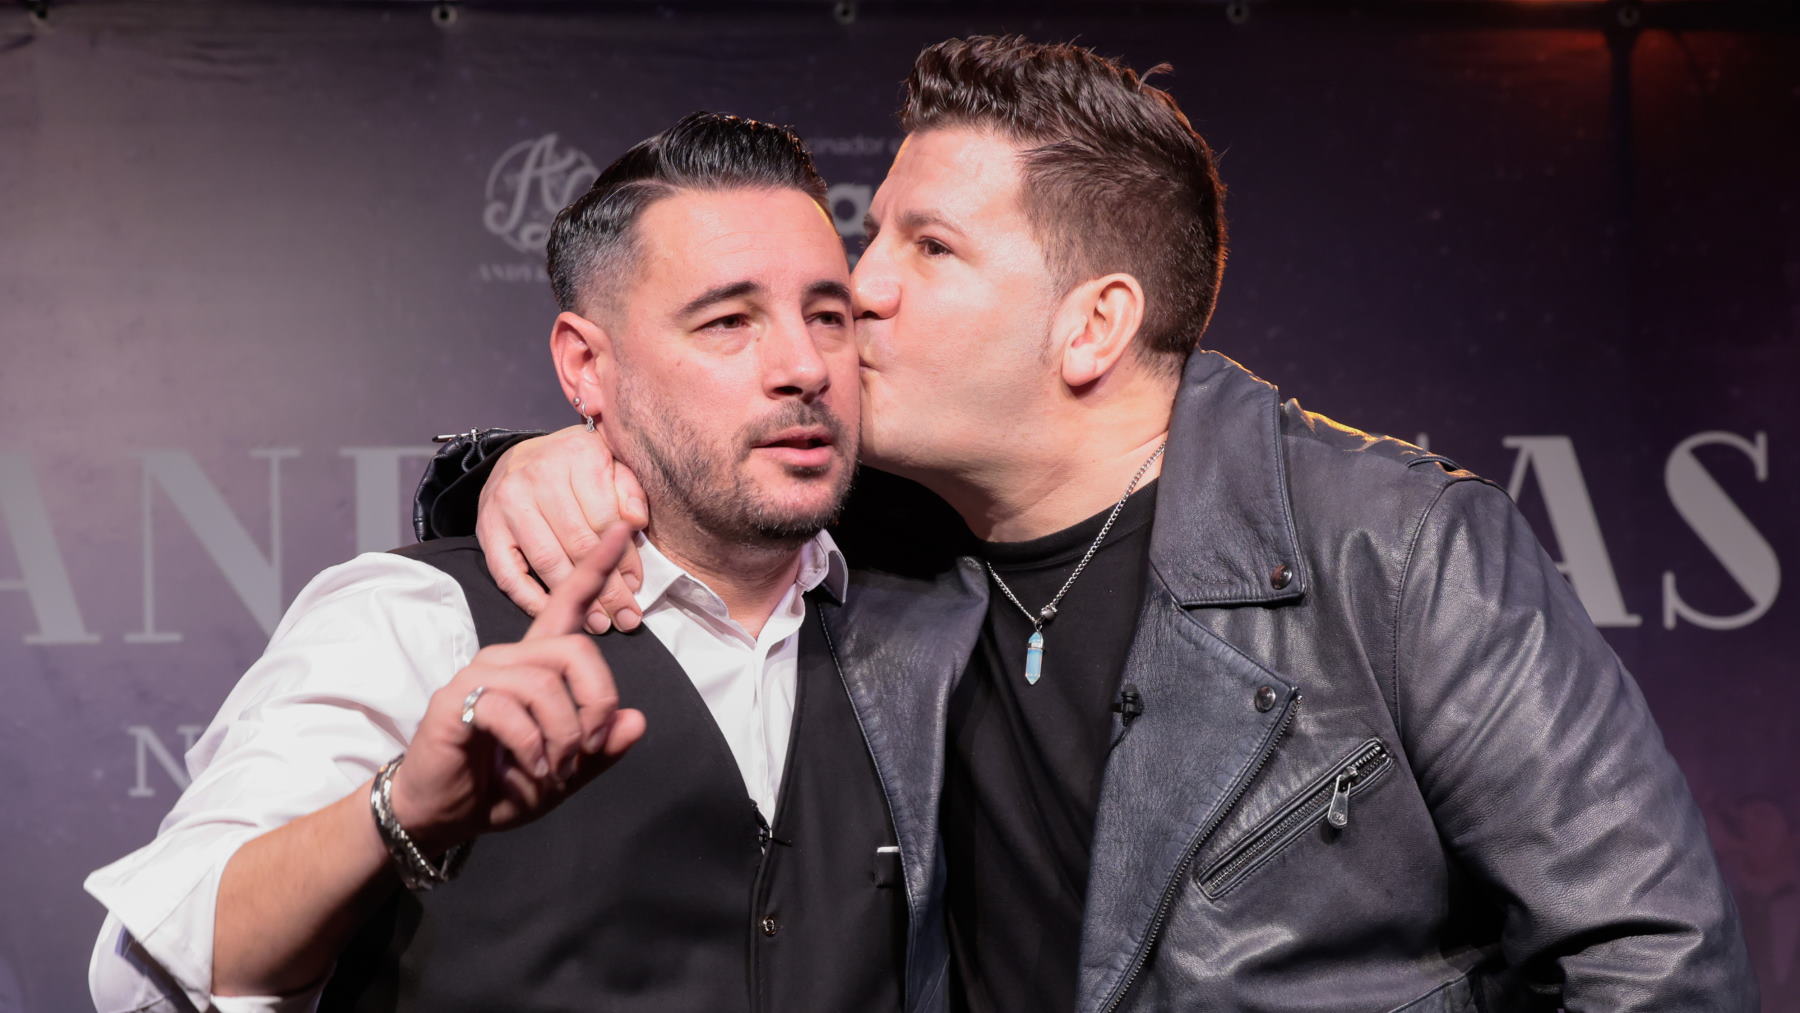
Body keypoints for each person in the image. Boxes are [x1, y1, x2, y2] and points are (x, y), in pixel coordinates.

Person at [422, 36, 1757, 1011]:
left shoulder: (1393, 549)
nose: (857, 289)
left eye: (927, 250)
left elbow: (1654, 963)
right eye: (867, 236)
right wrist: (526, 458)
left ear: (1095, 325)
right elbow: (690, 436)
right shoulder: (869, 544)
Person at [84, 112, 920, 1013]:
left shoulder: (934, 622)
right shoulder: (417, 616)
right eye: (727, 321)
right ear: (585, 367)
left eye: (828, 315)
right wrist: (401, 810)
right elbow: (166, 967)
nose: (803, 364)